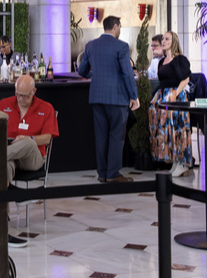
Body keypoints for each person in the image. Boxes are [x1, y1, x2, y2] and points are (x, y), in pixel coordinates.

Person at [77, 15, 139, 183]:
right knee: (116, 136)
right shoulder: (122, 46)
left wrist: (96, 75)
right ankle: (113, 174)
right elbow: (128, 74)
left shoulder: (91, 45)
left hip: (97, 97)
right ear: (116, 27)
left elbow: (81, 72)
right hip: (117, 98)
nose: (120, 30)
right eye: (120, 27)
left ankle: (102, 173)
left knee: (101, 136)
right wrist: (134, 96)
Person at [0, 75, 60, 181]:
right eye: (18, 95)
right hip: (11, 152)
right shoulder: (4, 104)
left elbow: (47, 138)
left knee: (29, 142)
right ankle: (3, 196)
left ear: (33, 91)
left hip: (32, 157)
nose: (20, 99)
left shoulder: (46, 108)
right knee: (6, 164)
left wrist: (28, 138)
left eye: (25, 96)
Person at [149, 31, 193, 177]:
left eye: (167, 39)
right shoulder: (162, 61)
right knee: (167, 130)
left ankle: (182, 162)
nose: (163, 41)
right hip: (163, 95)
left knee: (178, 130)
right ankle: (174, 160)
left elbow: (186, 79)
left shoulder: (180, 59)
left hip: (176, 96)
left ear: (173, 41)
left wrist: (174, 94)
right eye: (163, 39)